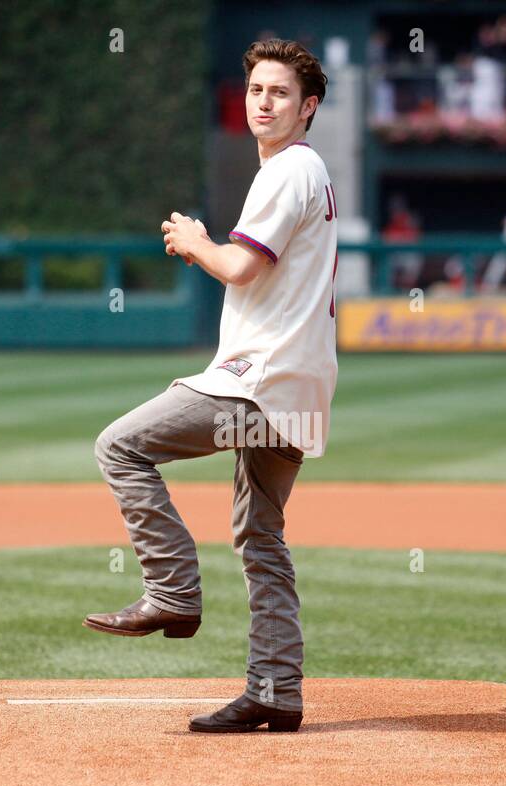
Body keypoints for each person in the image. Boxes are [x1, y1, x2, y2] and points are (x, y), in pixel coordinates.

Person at [86, 38, 338, 734]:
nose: (265, 101)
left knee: (120, 447)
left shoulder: (289, 169)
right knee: (262, 538)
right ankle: (276, 691)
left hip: (259, 385)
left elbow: (239, 267)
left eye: (281, 92)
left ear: (308, 106)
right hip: (301, 396)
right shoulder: (306, 173)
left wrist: (194, 240)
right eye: (256, 89)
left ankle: (171, 592)